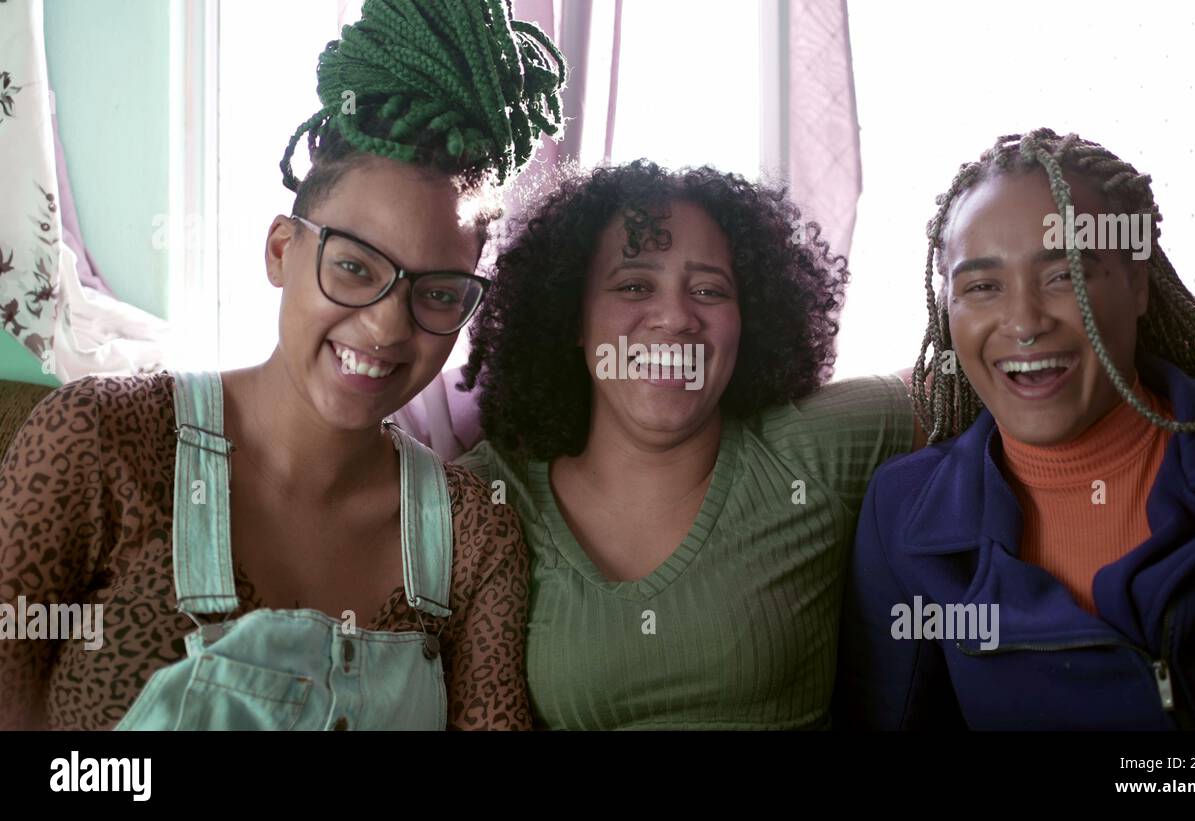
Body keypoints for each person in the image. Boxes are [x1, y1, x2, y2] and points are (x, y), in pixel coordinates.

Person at [0, 0, 566, 731]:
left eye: (438, 293)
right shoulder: (96, 443)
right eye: (356, 267)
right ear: (280, 249)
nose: (388, 325)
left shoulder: (475, 538)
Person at [836, 128, 1195, 730]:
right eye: (981, 287)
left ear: (1137, 284)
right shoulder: (902, 512)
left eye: (1064, 276)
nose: (1024, 322)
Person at [456, 160, 921, 729]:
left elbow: (984, 369)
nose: (676, 317)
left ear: (748, 321)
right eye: (633, 285)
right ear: (573, 318)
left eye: (708, 289)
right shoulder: (489, 496)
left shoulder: (812, 450)